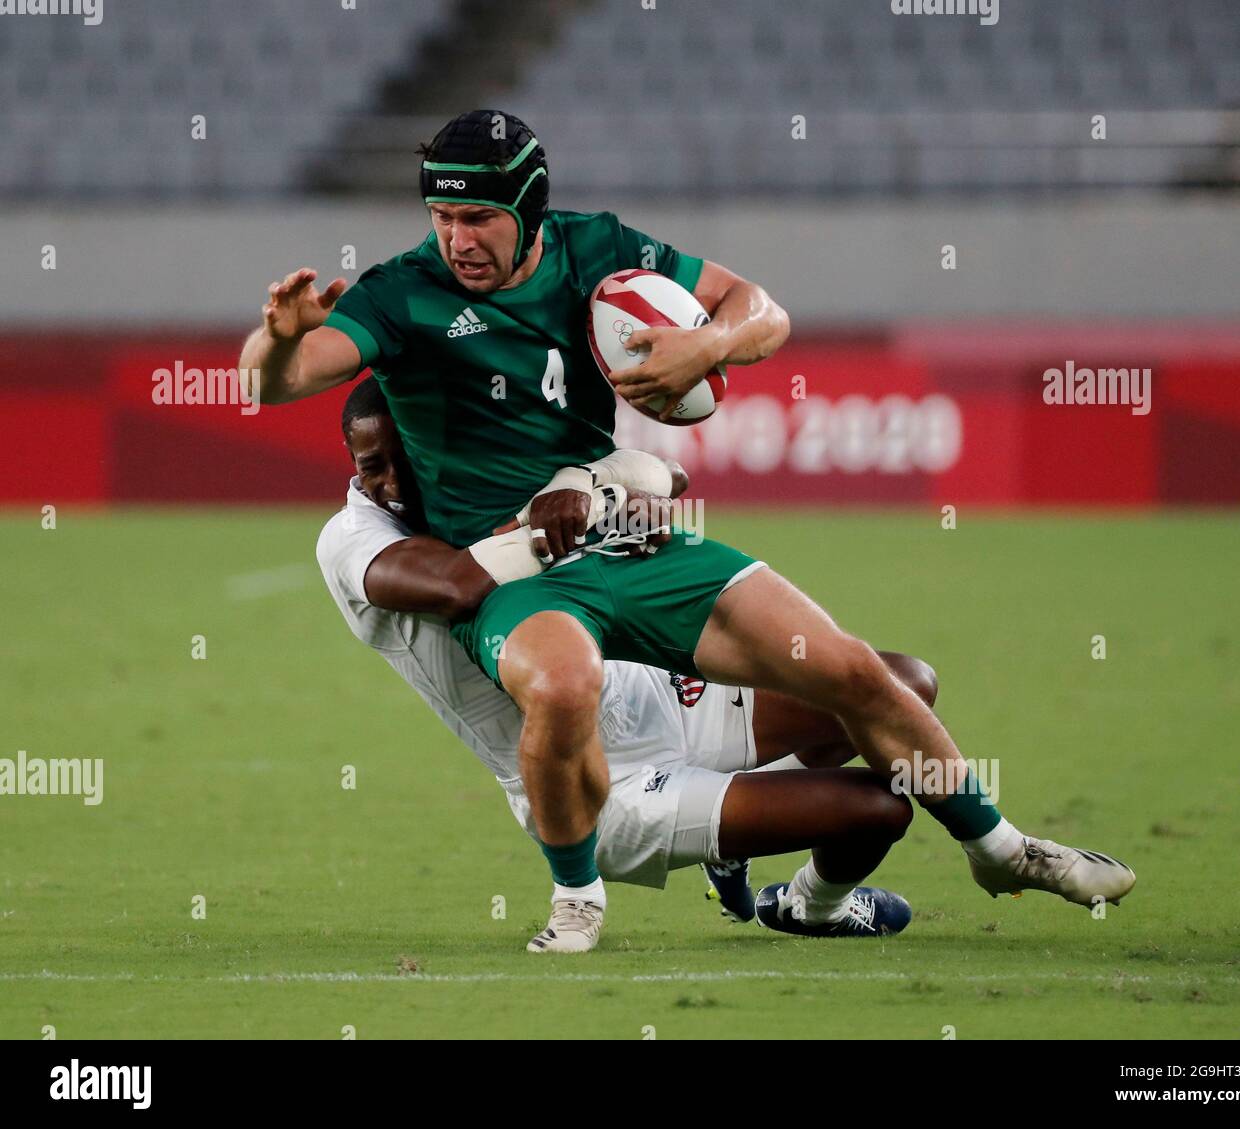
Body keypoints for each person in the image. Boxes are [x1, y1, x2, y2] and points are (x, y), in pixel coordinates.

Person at [245, 110, 1135, 952]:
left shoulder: (597, 248)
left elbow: (760, 310)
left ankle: (1004, 849)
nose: (455, 239)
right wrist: (279, 344)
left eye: (476, 217)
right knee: (560, 684)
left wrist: (704, 346)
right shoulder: (402, 295)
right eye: (441, 216)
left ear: (527, 207)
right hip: (522, 578)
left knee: (856, 670)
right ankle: (576, 896)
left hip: (627, 548)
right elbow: (275, 381)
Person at [317, 379, 923, 951]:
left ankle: (771, 874)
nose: (392, 482)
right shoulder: (351, 538)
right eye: (372, 465)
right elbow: (453, 584)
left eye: (406, 458)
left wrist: (619, 505)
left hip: (657, 695)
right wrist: (563, 520)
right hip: (600, 784)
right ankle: (813, 907)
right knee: (880, 809)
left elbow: (670, 477)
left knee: (902, 687)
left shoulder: (487, 479)